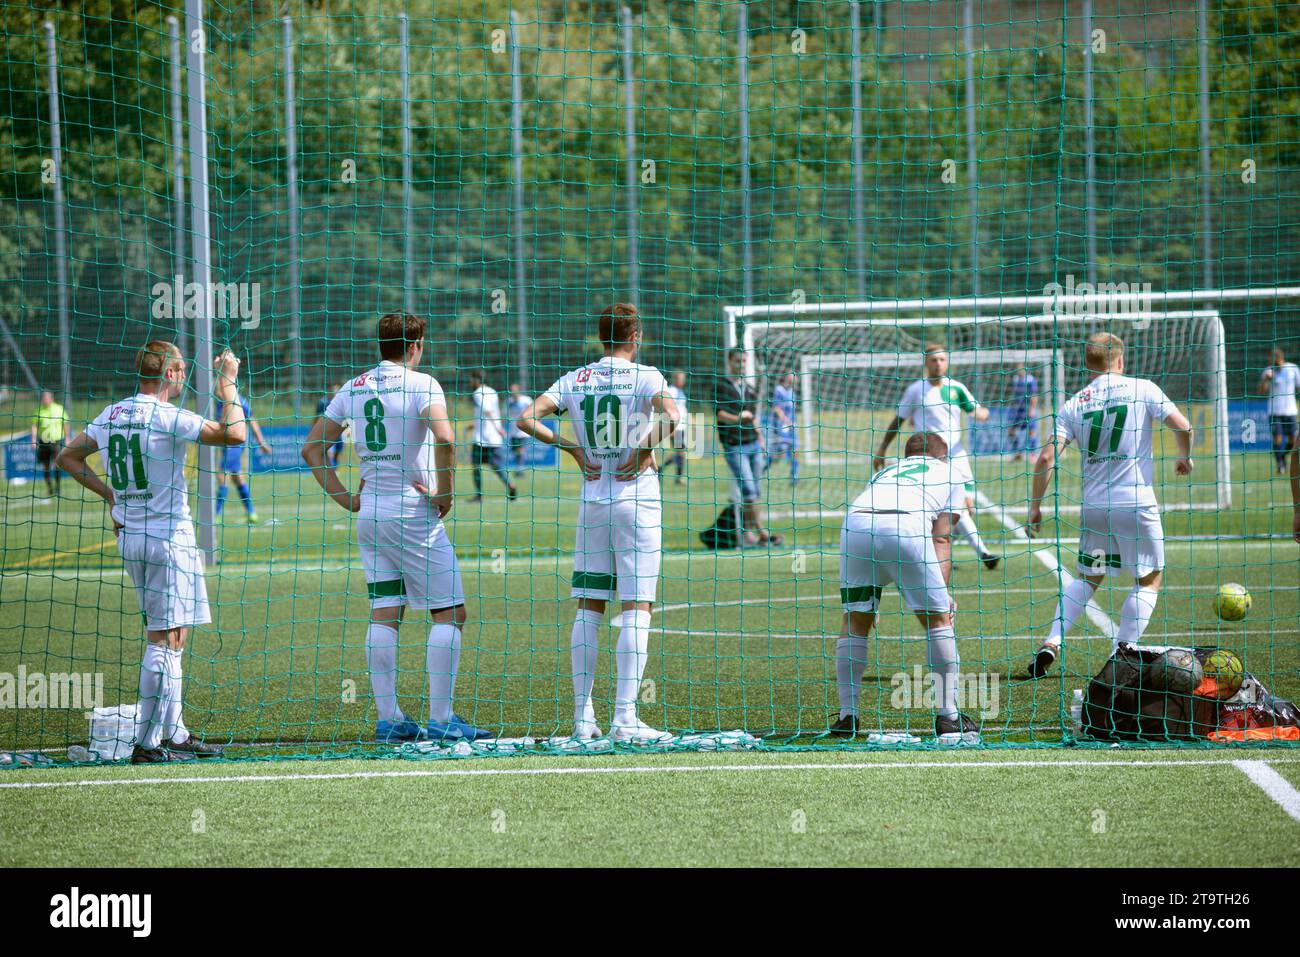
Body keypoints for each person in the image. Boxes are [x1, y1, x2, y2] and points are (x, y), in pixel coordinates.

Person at [303, 313, 491, 743]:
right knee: (450, 612)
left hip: (370, 513)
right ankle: (442, 719)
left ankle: (390, 719)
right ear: (416, 344)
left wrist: (347, 497)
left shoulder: (354, 387)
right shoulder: (422, 384)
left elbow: (312, 449)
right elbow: (445, 439)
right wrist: (446, 493)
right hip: (412, 513)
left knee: (386, 611)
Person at [57, 343, 246, 762]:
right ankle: (146, 745)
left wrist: (112, 496)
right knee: (163, 640)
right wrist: (228, 384)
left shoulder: (112, 413)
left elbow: (68, 456)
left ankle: (174, 732)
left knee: (174, 633)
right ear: (173, 373)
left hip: (134, 538)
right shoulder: (167, 416)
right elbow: (235, 433)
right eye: (182, 372)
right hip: (167, 540)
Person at [516, 303, 680, 743]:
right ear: (636, 336)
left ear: (601, 337)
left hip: (593, 499)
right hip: (637, 497)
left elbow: (525, 417)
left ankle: (582, 718)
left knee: (589, 604)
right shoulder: (646, 376)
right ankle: (625, 718)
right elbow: (674, 417)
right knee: (637, 604)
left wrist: (571, 447)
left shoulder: (575, 378)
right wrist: (644, 451)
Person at [1026, 332, 1193, 678]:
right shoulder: (1143, 388)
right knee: (1148, 578)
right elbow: (1184, 426)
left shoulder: (1074, 404)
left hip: (1095, 509)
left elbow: (1044, 459)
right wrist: (1184, 457)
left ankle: (1052, 641)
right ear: (1120, 360)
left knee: (1088, 577)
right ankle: (1123, 654)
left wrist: (1035, 508)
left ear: (1088, 365)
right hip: (1135, 504)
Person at [834, 431, 979, 742]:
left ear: (909, 455)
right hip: (904, 525)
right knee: (937, 621)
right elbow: (941, 539)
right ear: (941, 456)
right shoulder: (950, 472)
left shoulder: (887, 470)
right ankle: (949, 716)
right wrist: (943, 594)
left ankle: (848, 716)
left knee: (854, 622)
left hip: (855, 525)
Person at [874, 343, 998, 569]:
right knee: (940, 506)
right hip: (928, 459)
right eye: (933, 360)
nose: (938, 364)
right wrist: (882, 447)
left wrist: (982, 413)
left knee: (965, 506)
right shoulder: (915, 390)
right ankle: (983, 553)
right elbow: (898, 420)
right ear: (926, 363)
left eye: (942, 359)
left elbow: (975, 409)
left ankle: (954, 549)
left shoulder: (956, 388)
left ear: (947, 362)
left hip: (956, 456)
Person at [715, 349, 780, 546]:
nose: (741, 364)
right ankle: (762, 533)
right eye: (737, 360)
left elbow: (754, 417)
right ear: (729, 362)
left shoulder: (749, 389)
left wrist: (761, 438)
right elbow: (719, 414)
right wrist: (738, 418)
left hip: (753, 444)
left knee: (755, 492)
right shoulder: (722, 387)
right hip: (735, 446)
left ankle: (747, 532)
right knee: (749, 490)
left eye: (744, 360)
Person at [215, 385, 272, 523]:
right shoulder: (218, 402)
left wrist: (261, 442)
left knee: (222, 475)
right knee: (237, 477)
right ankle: (252, 513)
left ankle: (214, 514)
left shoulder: (238, 400)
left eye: (218, 386)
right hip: (226, 446)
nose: (216, 390)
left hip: (234, 445)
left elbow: (252, 421)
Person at [466, 369, 517, 502]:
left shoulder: (478, 393)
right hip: (494, 437)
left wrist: (498, 427)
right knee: (497, 466)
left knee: (476, 465)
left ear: (476, 380)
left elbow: (488, 411)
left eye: (471, 379)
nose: (470, 382)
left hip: (482, 438)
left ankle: (479, 495)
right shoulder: (493, 391)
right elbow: (492, 411)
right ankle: (510, 484)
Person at [1259, 347, 1300, 475]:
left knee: (1293, 440)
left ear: (1279, 358)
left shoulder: (1293, 369)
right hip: (1274, 411)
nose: (1270, 361)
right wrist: (1266, 379)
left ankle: (1282, 457)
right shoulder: (1268, 371)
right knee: (1277, 438)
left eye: (1272, 358)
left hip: (1290, 411)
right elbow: (1260, 391)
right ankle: (1280, 465)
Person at [30, 390, 69, 500]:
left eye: (47, 398)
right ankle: (49, 487)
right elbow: (34, 425)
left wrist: (67, 438)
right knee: (46, 466)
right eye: (43, 398)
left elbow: (65, 423)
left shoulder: (59, 409)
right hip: (43, 442)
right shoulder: (38, 411)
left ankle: (58, 487)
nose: (45, 400)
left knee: (57, 464)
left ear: (51, 398)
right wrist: (33, 440)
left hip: (56, 441)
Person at [768, 372, 800, 483]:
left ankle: (794, 477)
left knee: (795, 450)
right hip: (781, 426)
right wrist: (786, 421)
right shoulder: (779, 390)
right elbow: (776, 408)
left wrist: (792, 423)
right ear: (787, 378)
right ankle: (761, 469)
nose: (796, 378)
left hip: (792, 426)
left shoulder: (792, 393)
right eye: (793, 376)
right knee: (779, 454)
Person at [1007, 365, 1039, 461]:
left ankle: (1033, 454)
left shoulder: (1030, 380)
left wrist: (1032, 409)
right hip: (1017, 411)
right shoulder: (1016, 380)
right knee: (1010, 431)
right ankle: (1018, 453)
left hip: (1027, 410)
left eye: (1020, 369)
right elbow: (1014, 396)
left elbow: (1034, 395)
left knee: (1031, 432)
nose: (1018, 371)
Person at [663, 370, 689, 485]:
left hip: (681, 427)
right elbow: (667, 410)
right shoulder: (671, 391)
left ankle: (676, 476)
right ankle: (664, 471)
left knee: (681, 453)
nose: (682, 381)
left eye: (683, 378)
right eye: (680, 378)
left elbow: (682, 408)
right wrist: (671, 429)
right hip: (675, 428)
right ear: (674, 379)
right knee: (681, 452)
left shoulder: (680, 392)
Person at [315, 383, 347, 468]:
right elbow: (317, 417)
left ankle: (335, 466)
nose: (334, 392)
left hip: (340, 432)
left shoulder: (343, 402)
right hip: (328, 432)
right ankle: (331, 469)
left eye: (337, 390)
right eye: (333, 390)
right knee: (329, 452)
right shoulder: (323, 402)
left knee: (338, 451)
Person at [505, 382, 532, 475]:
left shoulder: (526, 400)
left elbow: (534, 412)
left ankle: (519, 470)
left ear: (518, 390)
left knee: (521, 450)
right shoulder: (508, 402)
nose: (512, 392)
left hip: (524, 431)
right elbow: (505, 415)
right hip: (513, 432)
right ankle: (518, 468)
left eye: (514, 390)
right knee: (516, 452)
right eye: (511, 390)